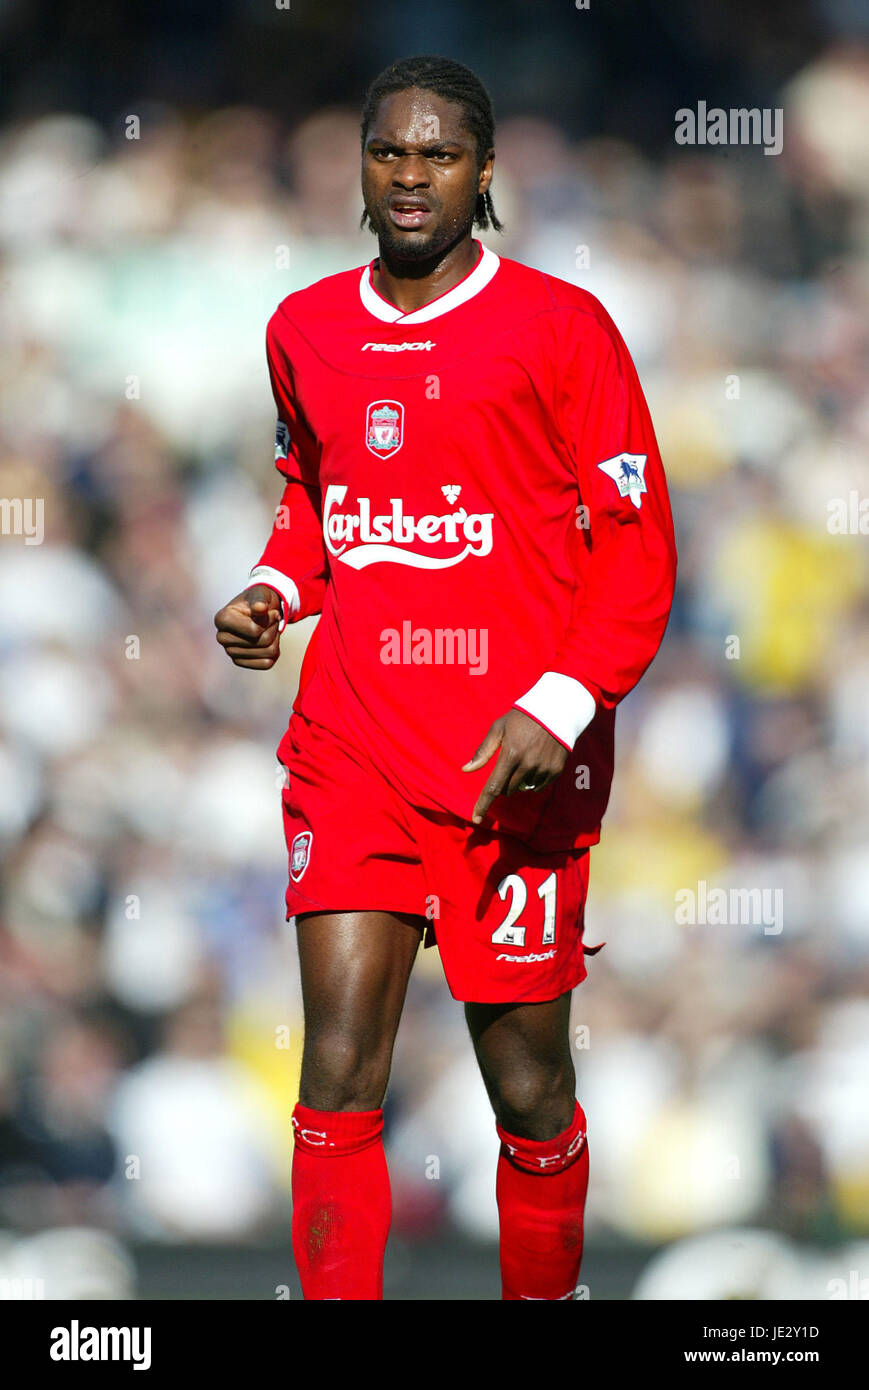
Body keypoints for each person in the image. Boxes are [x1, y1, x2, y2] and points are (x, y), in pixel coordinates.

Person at [214, 54, 677, 1301]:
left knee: (528, 1088)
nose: (409, 173)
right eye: (387, 151)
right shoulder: (303, 327)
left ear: (483, 174)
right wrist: (272, 589)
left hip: (507, 764)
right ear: (359, 167)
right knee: (337, 1067)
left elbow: (637, 556)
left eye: (437, 154)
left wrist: (559, 705)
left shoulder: (559, 329)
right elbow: (315, 503)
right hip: (350, 742)